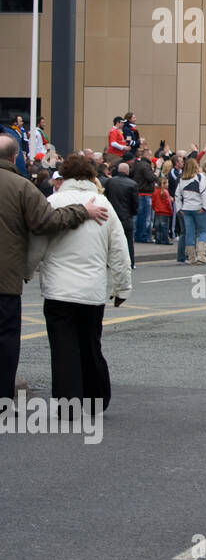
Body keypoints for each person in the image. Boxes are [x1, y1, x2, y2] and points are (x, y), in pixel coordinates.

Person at [1, 137, 111, 399]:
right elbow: (46, 222)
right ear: (15, 157)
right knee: (4, 342)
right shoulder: (21, 187)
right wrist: (82, 211)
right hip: (5, 282)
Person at [23, 153, 130, 411]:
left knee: (63, 348)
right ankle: (96, 400)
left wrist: (27, 271)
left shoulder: (53, 202)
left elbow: (38, 242)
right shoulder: (103, 204)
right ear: (92, 175)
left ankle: (68, 404)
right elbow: (118, 249)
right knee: (90, 344)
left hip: (58, 290)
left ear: (64, 175)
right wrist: (122, 287)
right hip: (92, 290)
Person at [174, 156, 206, 266]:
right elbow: (204, 193)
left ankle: (191, 257)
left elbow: (177, 195)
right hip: (199, 208)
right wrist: (204, 207)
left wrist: (179, 208)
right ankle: (201, 255)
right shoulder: (200, 177)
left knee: (189, 233)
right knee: (203, 231)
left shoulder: (182, 179)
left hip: (186, 209)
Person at [104, 162, 139, 269]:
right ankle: (130, 262)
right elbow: (135, 203)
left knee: (111, 240)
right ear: (127, 171)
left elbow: (106, 196)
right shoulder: (132, 184)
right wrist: (133, 212)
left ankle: (109, 261)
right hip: (126, 215)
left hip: (113, 215)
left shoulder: (110, 182)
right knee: (128, 241)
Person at [131, 152, 157, 244]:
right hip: (146, 193)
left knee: (139, 217)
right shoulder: (146, 166)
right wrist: (155, 174)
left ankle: (138, 235)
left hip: (139, 193)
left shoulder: (137, 164)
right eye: (150, 155)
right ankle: (145, 236)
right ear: (147, 156)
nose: (151, 157)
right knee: (146, 217)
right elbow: (150, 178)